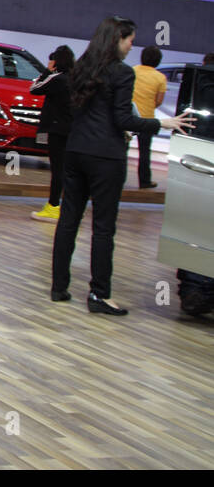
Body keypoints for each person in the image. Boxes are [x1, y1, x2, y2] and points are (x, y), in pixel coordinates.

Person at [50, 17, 194, 314]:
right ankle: (99, 295)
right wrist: (163, 122)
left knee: (68, 220)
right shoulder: (122, 73)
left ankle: (58, 286)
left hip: (76, 151)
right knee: (103, 227)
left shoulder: (82, 67)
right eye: (130, 40)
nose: (132, 45)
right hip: (106, 157)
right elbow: (124, 120)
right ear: (118, 39)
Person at [30, 45, 75, 221]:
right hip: (72, 129)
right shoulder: (75, 79)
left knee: (58, 170)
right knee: (67, 170)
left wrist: (46, 72)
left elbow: (34, 89)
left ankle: (53, 206)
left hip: (56, 129)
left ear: (56, 61)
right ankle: (68, 206)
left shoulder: (56, 78)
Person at [132, 45, 166, 188]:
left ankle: (117, 180)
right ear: (158, 61)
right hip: (147, 118)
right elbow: (158, 101)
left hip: (129, 115)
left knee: (122, 148)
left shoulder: (132, 70)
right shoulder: (160, 78)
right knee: (145, 151)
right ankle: (144, 181)